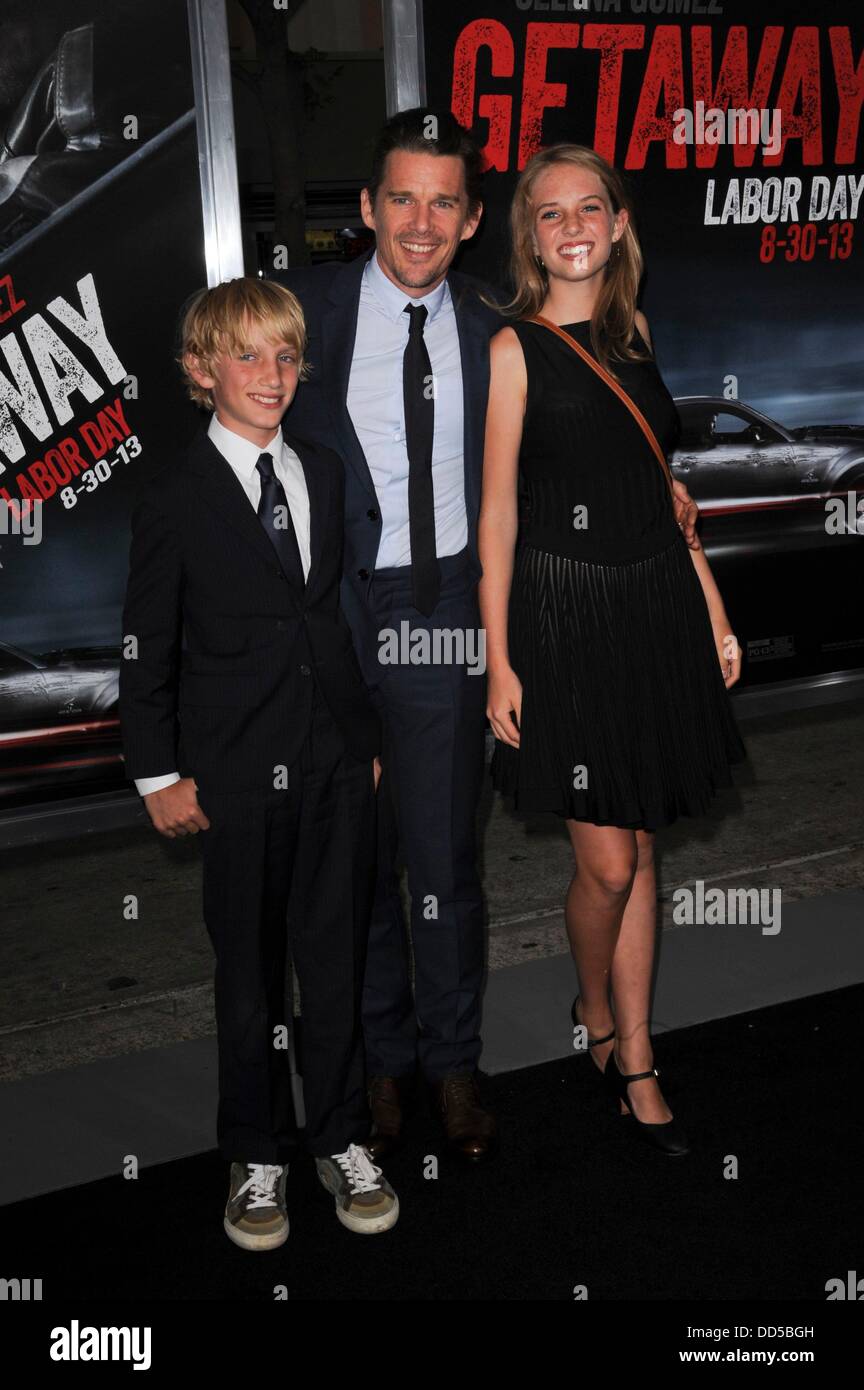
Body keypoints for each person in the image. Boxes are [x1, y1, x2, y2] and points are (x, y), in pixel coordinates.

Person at [279, 110, 701, 1165]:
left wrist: (664, 496)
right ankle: (380, 1064)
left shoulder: (497, 324)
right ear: (369, 208)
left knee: (442, 853)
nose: (421, 222)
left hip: (452, 616)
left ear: (471, 220)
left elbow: (559, 455)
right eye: (401, 198)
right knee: (357, 858)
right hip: (335, 620)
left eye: (444, 201)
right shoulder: (303, 316)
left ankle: (455, 1065)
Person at [119, 277, 398, 1249]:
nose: (271, 374)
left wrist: (360, 745)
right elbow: (146, 645)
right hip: (233, 776)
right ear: (201, 372)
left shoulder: (321, 466)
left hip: (332, 764)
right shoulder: (175, 497)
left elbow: (332, 622)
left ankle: (340, 1135)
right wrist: (158, 774)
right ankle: (257, 1156)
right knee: (247, 975)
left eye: (285, 354)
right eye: (247, 355)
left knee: (334, 960)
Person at [478, 144, 747, 1156]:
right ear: (530, 235)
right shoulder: (513, 351)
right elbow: (496, 513)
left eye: (590, 207)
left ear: (619, 221)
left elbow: (666, 499)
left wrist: (712, 606)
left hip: (654, 611)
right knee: (610, 863)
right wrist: (499, 657)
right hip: (564, 618)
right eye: (550, 214)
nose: (572, 225)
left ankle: (635, 1054)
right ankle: (594, 1009)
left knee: (644, 851)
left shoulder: (632, 335)